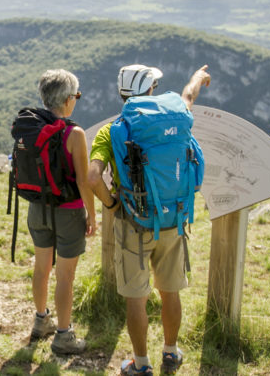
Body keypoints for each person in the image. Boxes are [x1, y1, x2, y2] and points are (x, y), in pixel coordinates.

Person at [88, 64, 211, 375]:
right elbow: (188, 95)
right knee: (170, 291)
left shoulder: (111, 130)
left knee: (136, 298)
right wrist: (197, 78)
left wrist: (112, 203)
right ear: (152, 90)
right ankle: (171, 352)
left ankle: (141, 365)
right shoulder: (177, 115)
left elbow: (92, 176)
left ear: (122, 92)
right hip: (173, 217)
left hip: (134, 222)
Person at [26, 69, 98, 355]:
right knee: (65, 276)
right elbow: (83, 180)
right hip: (68, 213)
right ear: (68, 100)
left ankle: (41, 320)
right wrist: (92, 215)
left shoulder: (30, 127)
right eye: (76, 96)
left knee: (41, 267)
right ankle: (64, 335)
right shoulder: (75, 134)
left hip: (37, 208)